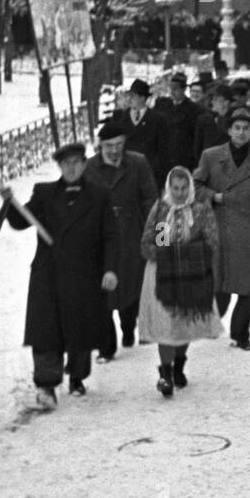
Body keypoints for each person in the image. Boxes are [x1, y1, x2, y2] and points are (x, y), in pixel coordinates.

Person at [1, 143, 119, 410]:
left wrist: (110, 269)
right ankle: (46, 385)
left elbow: (111, 236)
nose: (72, 168)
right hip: (49, 273)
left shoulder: (100, 195)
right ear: (59, 167)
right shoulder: (44, 194)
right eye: (66, 163)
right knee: (46, 331)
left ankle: (77, 376)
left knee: (80, 327)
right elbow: (21, 222)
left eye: (77, 162)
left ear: (84, 164)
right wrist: (10, 204)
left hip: (84, 273)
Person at [193, 108, 250, 350]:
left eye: (246, 128)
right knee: (219, 282)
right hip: (217, 226)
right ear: (229, 130)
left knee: (245, 285)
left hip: (247, 228)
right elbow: (194, 186)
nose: (241, 132)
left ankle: (241, 335)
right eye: (237, 128)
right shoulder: (210, 156)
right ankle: (211, 320)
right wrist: (214, 196)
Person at [139, 166, 223, 397]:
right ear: (169, 188)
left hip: (191, 274)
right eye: (175, 188)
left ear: (190, 188)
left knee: (185, 321)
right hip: (164, 276)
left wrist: (193, 254)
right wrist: (165, 253)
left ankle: (179, 365)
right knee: (166, 323)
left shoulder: (200, 209)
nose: (179, 193)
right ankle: (165, 373)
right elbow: (151, 242)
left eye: (184, 188)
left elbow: (212, 241)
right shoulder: (162, 209)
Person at [85, 122, 157, 358]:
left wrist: (161, 239)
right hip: (100, 238)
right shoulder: (89, 167)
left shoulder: (137, 162)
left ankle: (128, 326)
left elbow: (151, 200)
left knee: (130, 286)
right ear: (100, 145)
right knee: (102, 290)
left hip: (132, 233)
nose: (115, 150)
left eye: (119, 145)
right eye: (109, 146)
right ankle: (107, 347)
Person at [115, 78, 165, 185]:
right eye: (129, 95)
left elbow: (162, 151)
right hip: (127, 175)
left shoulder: (157, 119)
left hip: (150, 175)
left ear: (142, 98)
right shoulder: (121, 117)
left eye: (133, 96)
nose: (129, 99)